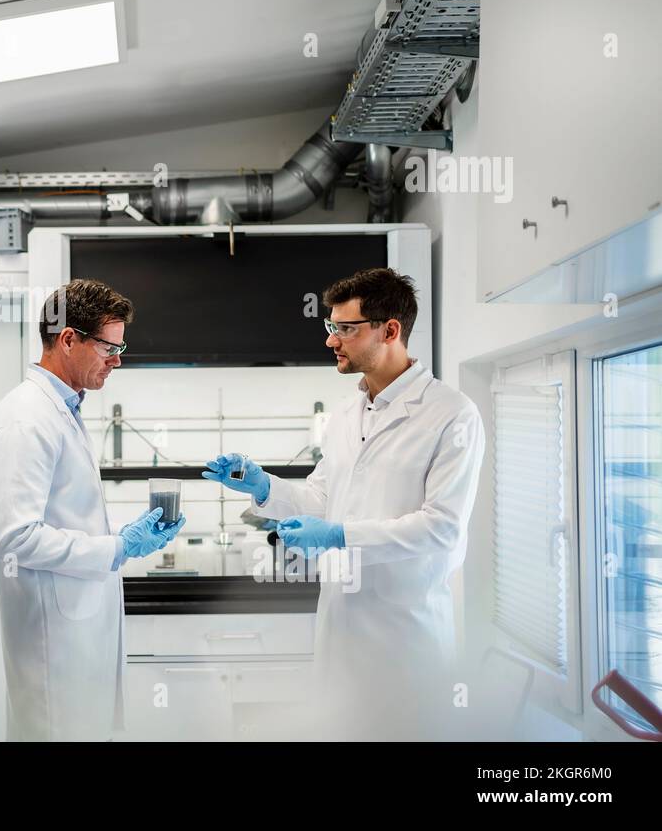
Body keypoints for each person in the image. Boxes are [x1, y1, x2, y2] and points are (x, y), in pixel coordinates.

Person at [203, 267, 484, 738]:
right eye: (330, 327)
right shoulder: (344, 415)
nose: (332, 340)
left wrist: (339, 536)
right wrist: (265, 487)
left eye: (346, 329)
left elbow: (442, 527)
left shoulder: (452, 415)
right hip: (340, 631)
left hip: (406, 639)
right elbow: (323, 497)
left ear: (389, 330)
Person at [0, 278, 185, 741]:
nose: (117, 360)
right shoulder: (25, 419)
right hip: (54, 650)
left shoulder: (63, 410)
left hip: (79, 640)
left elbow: (65, 515)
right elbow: (13, 536)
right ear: (68, 339)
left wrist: (124, 540)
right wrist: (115, 547)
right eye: (108, 347)